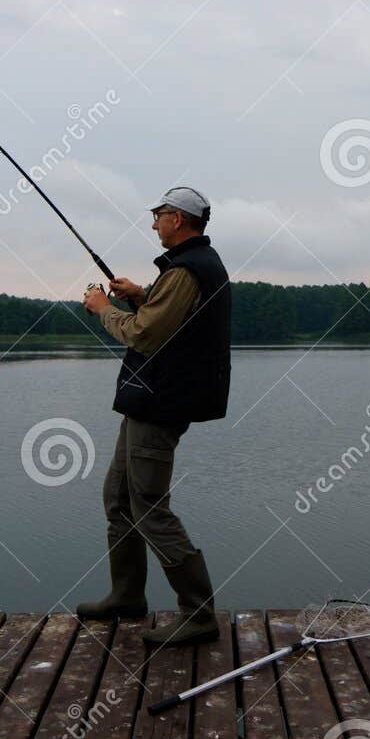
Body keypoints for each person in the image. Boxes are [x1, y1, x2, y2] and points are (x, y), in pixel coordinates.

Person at [77, 186, 232, 646]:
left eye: (158, 215)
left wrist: (105, 308)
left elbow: (144, 336)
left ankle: (199, 613)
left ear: (178, 220)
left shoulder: (187, 269)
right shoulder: (193, 267)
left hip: (161, 402)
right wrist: (143, 294)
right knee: (120, 498)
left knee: (148, 506)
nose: (153, 223)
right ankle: (126, 596)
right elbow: (173, 318)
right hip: (151, 399)